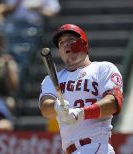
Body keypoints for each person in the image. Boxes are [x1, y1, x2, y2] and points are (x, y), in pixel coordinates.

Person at [39, 24, 124, 154]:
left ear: (85, 44)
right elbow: (45, 108)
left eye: (70, 40)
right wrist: (56, 107)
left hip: (96, 145)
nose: (65, 44)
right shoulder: (52, 79)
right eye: (61, 43)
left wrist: (81, 113)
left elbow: (113, 102)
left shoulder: (103, 68)